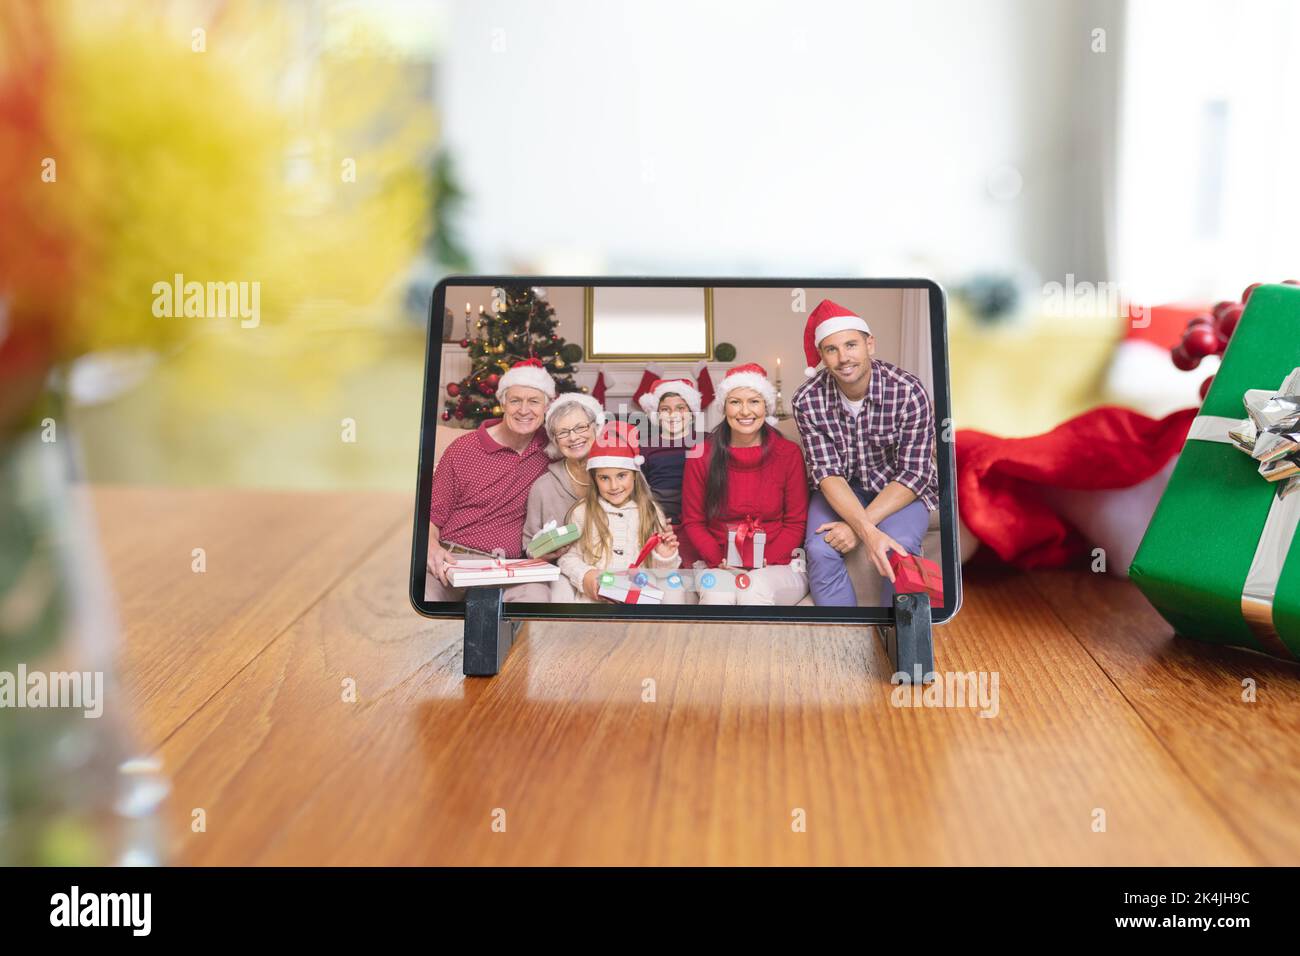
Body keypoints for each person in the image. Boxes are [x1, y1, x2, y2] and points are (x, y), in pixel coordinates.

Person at [791, 299, 938, 606]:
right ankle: (842, 636)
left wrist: (859, 528)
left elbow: (915, 473)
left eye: (851, 345)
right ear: (822, 356)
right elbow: (826, 472)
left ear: (869, 344)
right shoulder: (807, 399)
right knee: (819, 549)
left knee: (898, 547)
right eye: (831, 349)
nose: (843, 358)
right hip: (844, 489)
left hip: (899, 488)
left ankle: (895, 635)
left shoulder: (908, 391)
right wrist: (868, 529)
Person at [425, 357, 556, 602]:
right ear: (503, 403)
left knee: (536, 598)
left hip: (512, 568)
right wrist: (431, 547)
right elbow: (432, 514)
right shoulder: (464, 449)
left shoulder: (551, 450)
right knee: (422, 598)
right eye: (515, 400)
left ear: (547, 406)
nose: (524, 410)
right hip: (455, 558)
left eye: (534, 402)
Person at [680, 363, 810, 605]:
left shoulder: (788, 454)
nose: (744, 411)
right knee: (718, 593)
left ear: (766, 406)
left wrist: (764, 561)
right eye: (735, 402)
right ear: (724, 407)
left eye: (754, 401)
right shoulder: (700, 455)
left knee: (753, 589)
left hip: (778, 563)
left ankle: (759, 645)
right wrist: (718, 558)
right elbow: (693, 521)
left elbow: (795, 522)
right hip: (719, 561)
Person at [556, 421, 684, 603]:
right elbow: (568, 557)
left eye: (621, 476)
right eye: (604, 478)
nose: (614, 486)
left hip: (639, 597)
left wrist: (664, 556)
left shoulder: (650, 511)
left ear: (634, 475)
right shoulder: (583, 512)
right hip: (595, 598)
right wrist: (586, 575)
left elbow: (663, 571)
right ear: (595, 479)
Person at [521, 391, 606, 559]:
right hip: (560, 573)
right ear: (555, 440)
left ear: (596, 427)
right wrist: (545, 552)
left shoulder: (619, 472)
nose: (573, 437)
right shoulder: (543, 486)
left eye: (581, 427)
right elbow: (529, 546)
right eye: (563, 432)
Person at [637, 376, 703, 566]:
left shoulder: (705, 441)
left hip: (695, 518)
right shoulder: (647, 446)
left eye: (680, 408)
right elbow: (641, 486)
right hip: (659, 517)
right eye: (665, 409)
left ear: (691, 412)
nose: (673, 415)